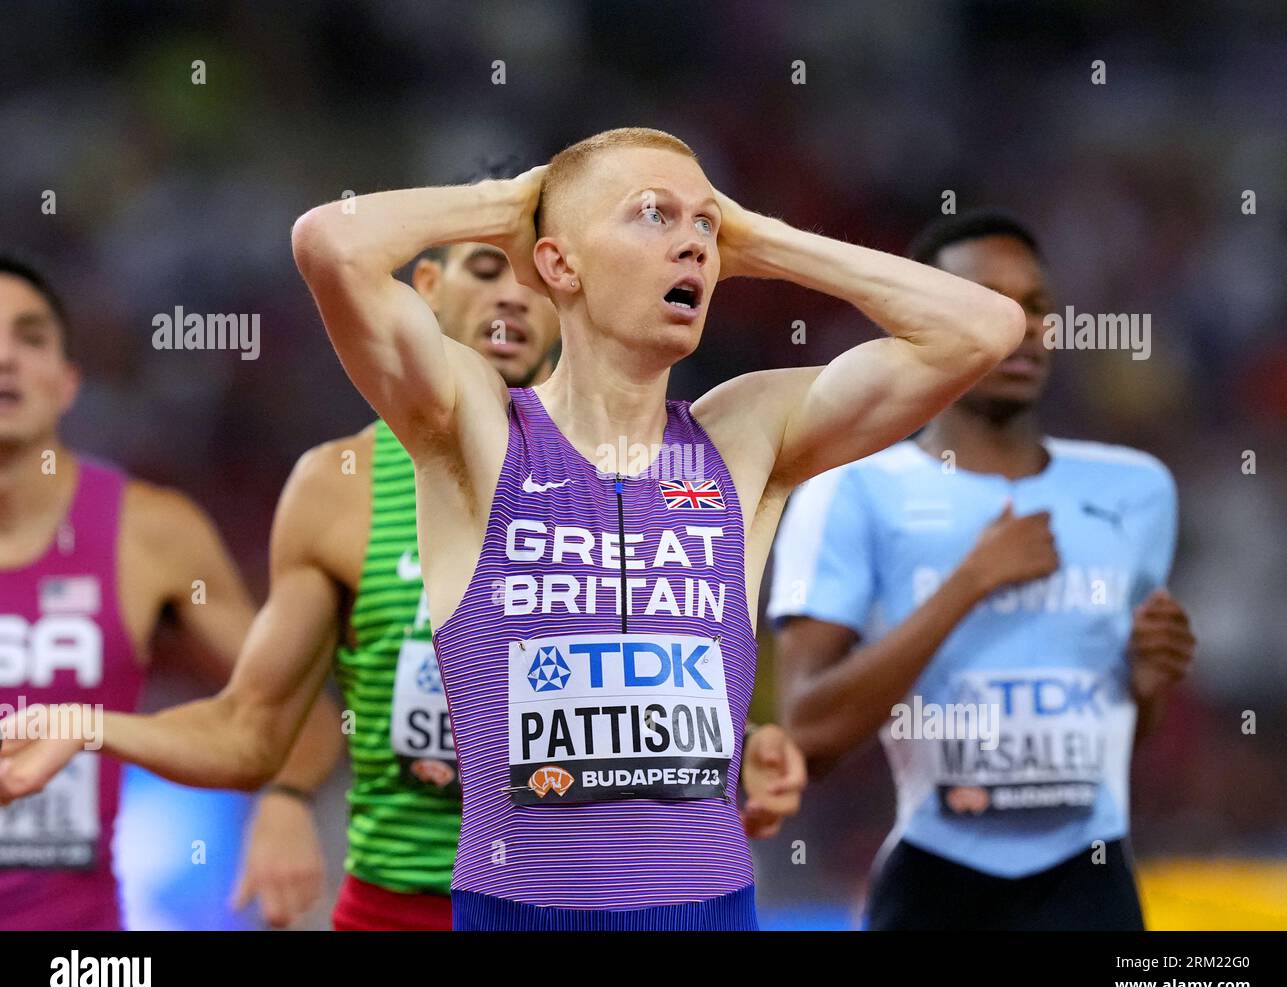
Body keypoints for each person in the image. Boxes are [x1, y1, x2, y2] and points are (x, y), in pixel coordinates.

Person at [281, 126, 1023, 930]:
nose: (695, 246)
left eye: (705, 225)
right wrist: (512, 206)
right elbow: (330, 242)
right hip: (522, 912)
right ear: (559, 263)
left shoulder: (744, 437)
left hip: (707, 912)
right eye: (652, 216)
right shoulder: (478, 430)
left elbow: (982, 329)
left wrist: (761, 239)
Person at [233, 236, 809, 931]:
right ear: (426, 287)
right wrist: (286, 794)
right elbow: (262, 706)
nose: (510, 295)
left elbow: (624, 671)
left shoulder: (635, 458)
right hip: (404, 897)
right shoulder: (339, 484)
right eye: (483, 270)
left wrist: (729, 743)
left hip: (567, 897)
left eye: (533, 281)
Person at [766, 210, 1196, 931]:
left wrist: (1149, 686)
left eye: (1037, 308)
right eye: (990, 308)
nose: (1023, 328)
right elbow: (808, 732)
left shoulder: (1138, 490)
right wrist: (969, 584)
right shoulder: (852, 491)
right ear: (921, 325)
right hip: (936, 881)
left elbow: (1111, 731)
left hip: (1090, 882)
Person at [0, 255, 262, 930]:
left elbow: (292, 718)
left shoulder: (152, 532)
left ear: (67, 383)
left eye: (29, 338)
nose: (4, 358)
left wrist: (289, 799)